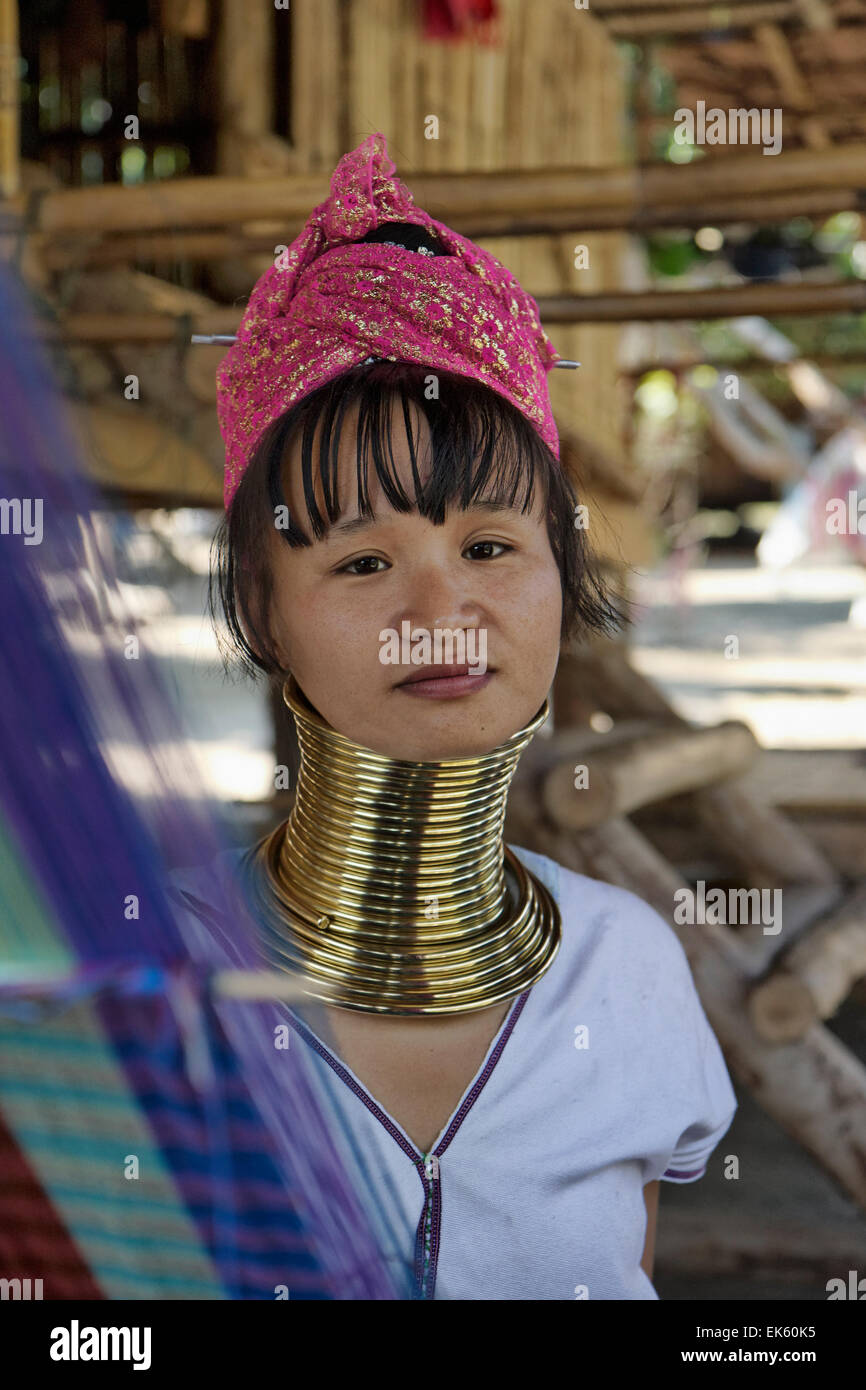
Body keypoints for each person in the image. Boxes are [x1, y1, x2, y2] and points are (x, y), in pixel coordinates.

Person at [174, 133, 737, 1300]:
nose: (442, 607)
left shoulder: (619, 970)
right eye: (360, 561)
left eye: (489, 545)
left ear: (563, 583)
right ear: (261, 611)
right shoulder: (158, 988)